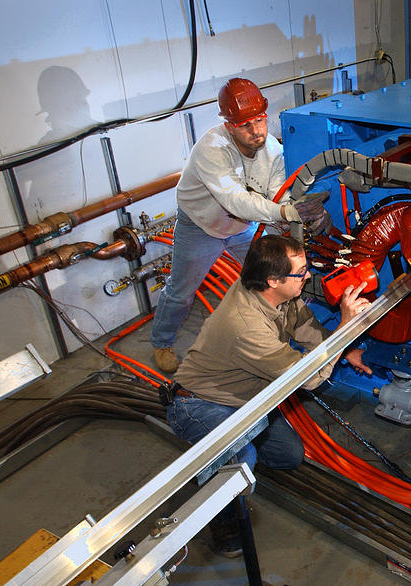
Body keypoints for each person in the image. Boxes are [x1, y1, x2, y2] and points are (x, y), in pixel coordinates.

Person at [164, 235, 371, 556]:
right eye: (301, 272)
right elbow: (310, 379)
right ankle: (222, 515)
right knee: (240, 462)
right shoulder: (246, 326)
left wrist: (344, 348)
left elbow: (304, 326)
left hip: (247, 400)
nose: (308, 276)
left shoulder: (275, 294)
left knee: (289, 455)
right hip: (200, 403)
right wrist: (345, 329)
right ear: (274, 280)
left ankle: (226, 456)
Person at [151, 77, 329, 373]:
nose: (257, 131)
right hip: (200, 226)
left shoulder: (271, 149)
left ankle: (279, 330)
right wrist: (285, 213)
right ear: (229, 126)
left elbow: (277, 191)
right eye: (246, 125)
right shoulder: (212, 149)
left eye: (260, 120)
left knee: (275, 275)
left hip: (243, 226)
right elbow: (235, 200)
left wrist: (298, 208)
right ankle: (161, 342)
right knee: (181, 291)